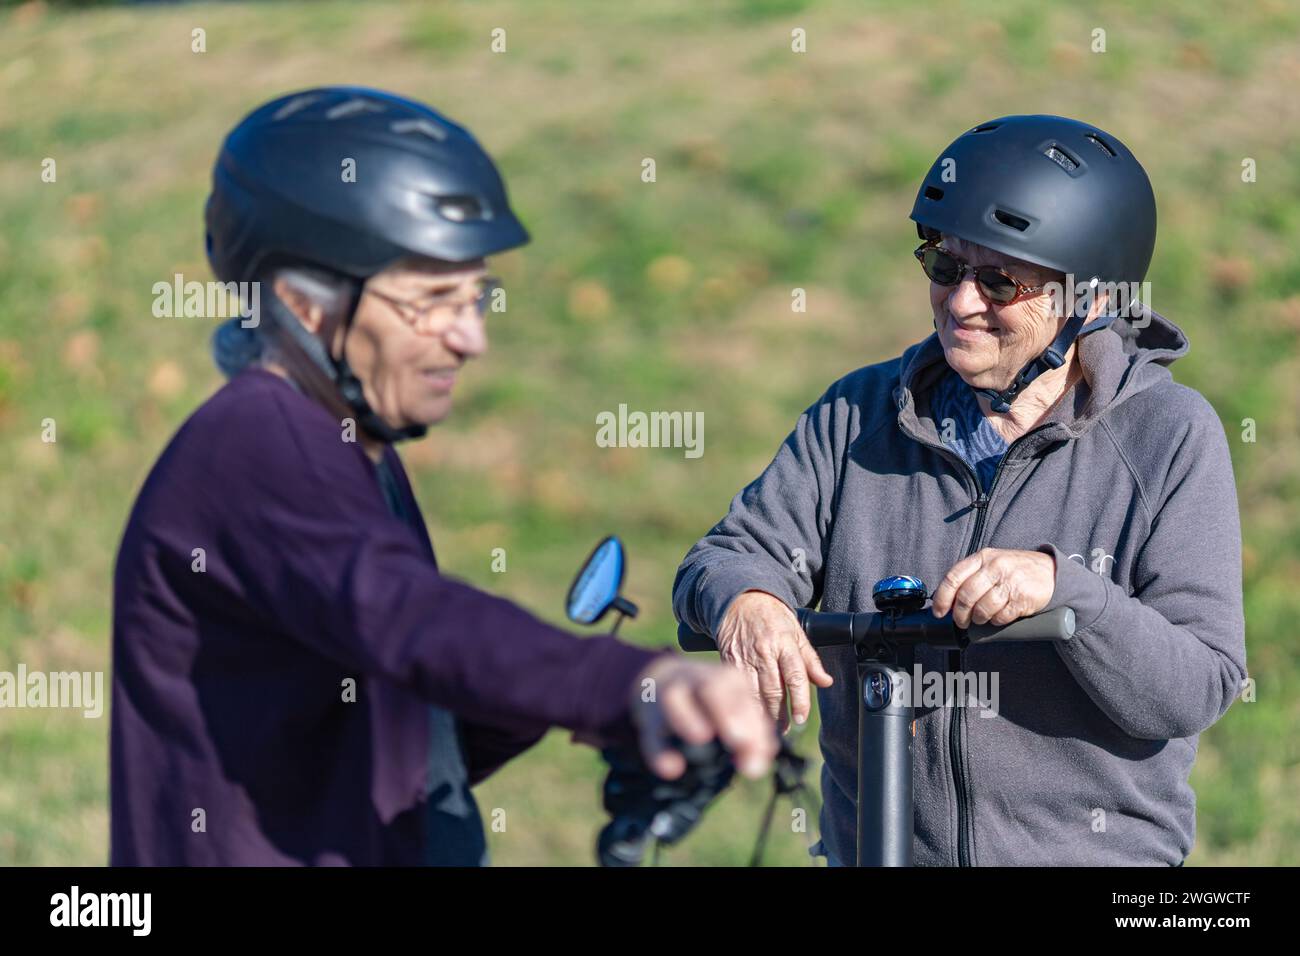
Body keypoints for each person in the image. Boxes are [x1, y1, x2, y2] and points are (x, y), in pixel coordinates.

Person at [110, 86, 775, 866]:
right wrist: (629, 681)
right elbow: (406, 616)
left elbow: (382, 725)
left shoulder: (349, 447)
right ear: (303, 305)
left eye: (477, 296)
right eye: (430, 302)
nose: (470, 337)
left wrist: (556, 706)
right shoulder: (256, 441)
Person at [672, 114, 1247, 866]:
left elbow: (1196, 685)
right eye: (944, 266)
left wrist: (1066, 591)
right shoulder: (856, 415)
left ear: (1092, 302)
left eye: (1001, 281)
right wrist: (746, 600)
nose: (961, 302)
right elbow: (726, 555)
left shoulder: (1169, 436)